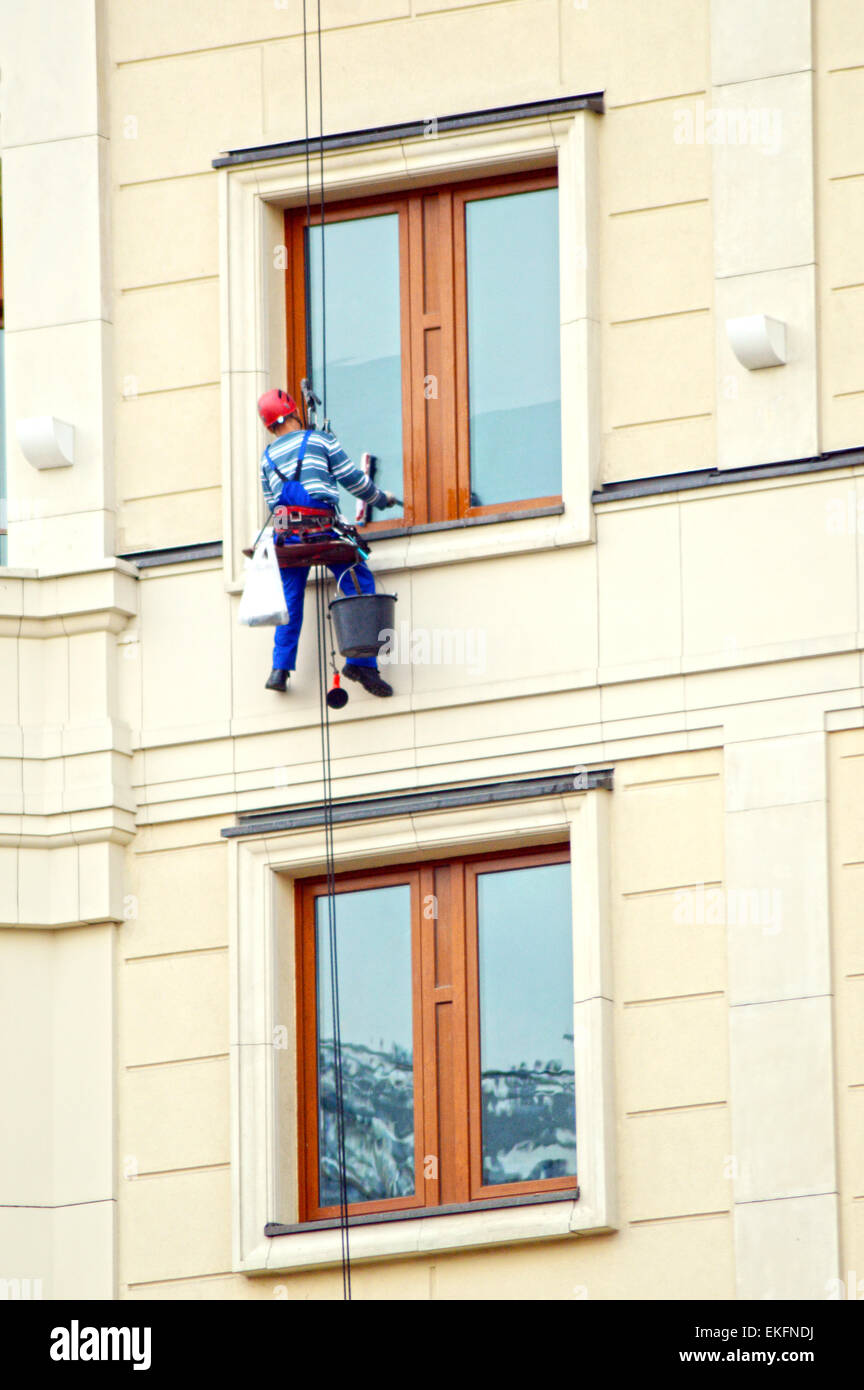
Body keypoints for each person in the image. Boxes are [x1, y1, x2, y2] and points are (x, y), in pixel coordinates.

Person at [257, 388, 399, 696]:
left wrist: (289, 531)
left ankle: (279, 670)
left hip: (290, 539)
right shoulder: (319, 440)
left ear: (269, 425)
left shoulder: (266, 459)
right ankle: (363, 663)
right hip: (323, 532)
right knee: (358, 583)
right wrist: (381, 500)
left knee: (289, 600)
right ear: (294, 413)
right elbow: (353, 480)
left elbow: (273, 504)